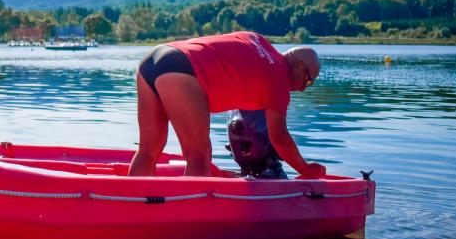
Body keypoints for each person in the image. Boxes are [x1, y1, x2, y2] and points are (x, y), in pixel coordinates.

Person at [128, 31, 325, 179]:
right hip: (182, 70)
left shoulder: (258, 40)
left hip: (154, 58)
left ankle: (133, 208)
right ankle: (191, 221)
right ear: (299, 66)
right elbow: (279, 137)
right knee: (199, 156)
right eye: (308, 81)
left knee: (148, 150)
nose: (303, 89)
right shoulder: (278, 80)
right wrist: (305, 169)